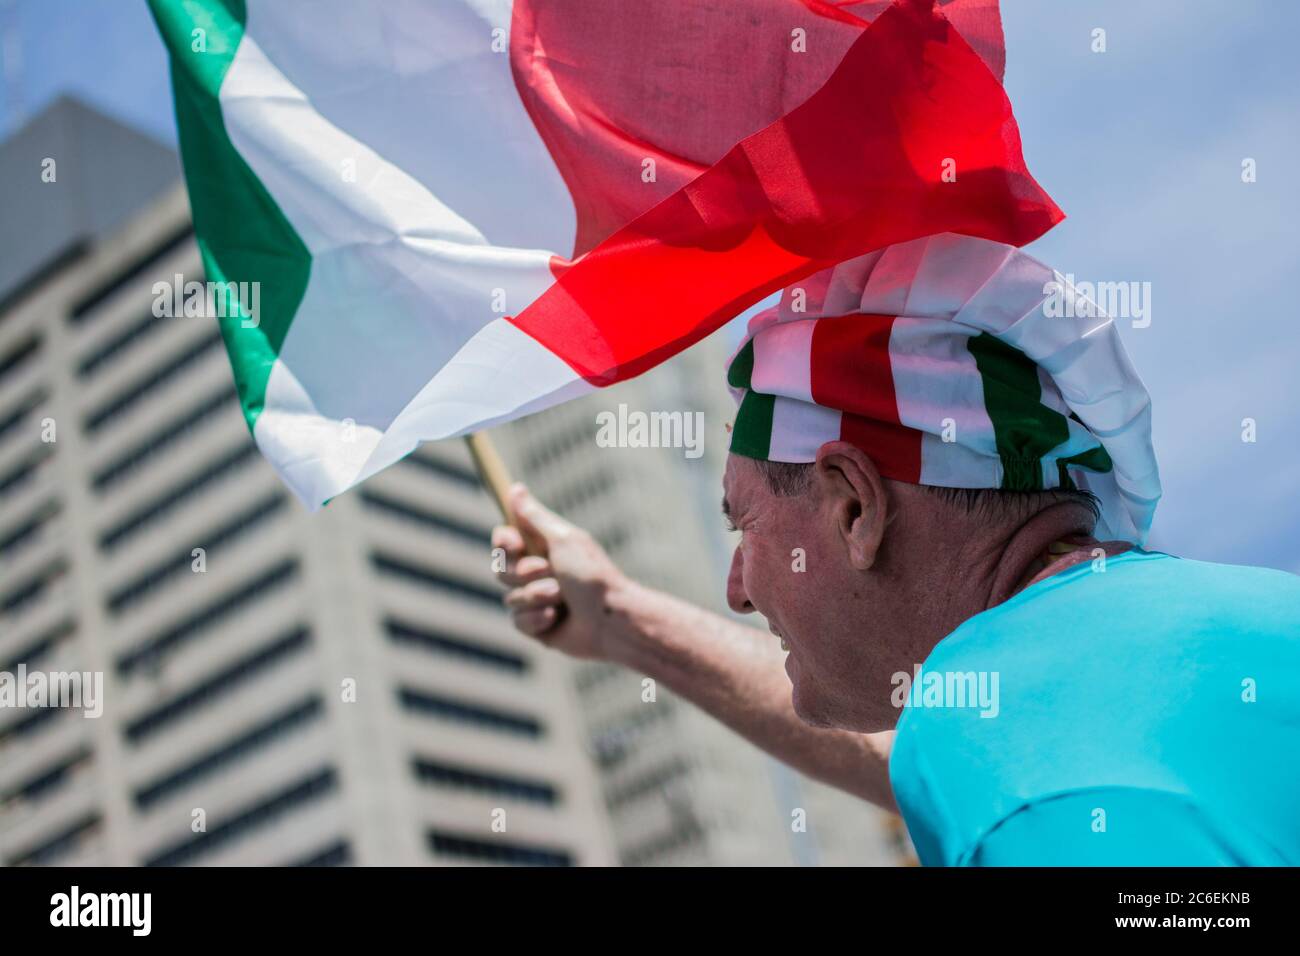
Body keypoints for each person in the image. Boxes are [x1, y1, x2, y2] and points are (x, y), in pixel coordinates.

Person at [493, 234, 1300, 865]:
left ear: (854, 505)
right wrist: (622, 619)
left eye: (746, 525)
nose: (737, 588)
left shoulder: (1007, 768)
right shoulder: (1242, 624)